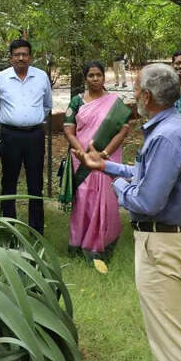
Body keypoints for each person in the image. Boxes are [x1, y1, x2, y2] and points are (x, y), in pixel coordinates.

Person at [74, 63, 181, 361]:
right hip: (166, 239)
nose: (133, 96)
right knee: (171, 334)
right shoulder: (174, 128)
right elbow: (146, 175)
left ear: (147, 95)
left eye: (135, 90)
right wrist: (109, 167)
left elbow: (146, 199)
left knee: (170, 338)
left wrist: (115, 183)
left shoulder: (165, 136)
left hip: (160, 243)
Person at [62, 61, 131, 260]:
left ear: (104, 77)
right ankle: (78, 244)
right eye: (91, 75)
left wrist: (104, 154)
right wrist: (82, 152)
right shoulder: (77, 101)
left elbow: (123, 131)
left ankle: (102, 245)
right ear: (85, 78)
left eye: (98, 75)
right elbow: (68, 130)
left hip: (106, 159)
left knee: (105, 200)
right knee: (83, 200)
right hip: (81, 158)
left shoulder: (114, 103)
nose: (95, 79)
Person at [0, 39, 53, 232]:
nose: (21, 58)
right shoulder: (1, 78)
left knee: (35, 184)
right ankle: (7, 228)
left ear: (31, 57)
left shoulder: (41, 76)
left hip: (34, 136)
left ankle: (36, 230)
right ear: (10, 58)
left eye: (25, 54)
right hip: (10, 135)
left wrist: (30, 120)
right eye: (17, 55)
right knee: (8, 182)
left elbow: (47, 105)